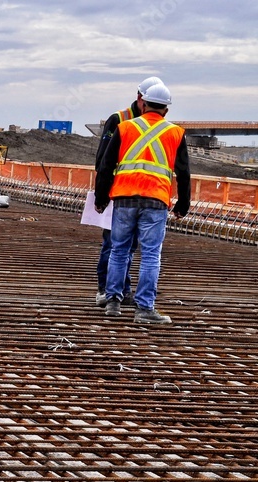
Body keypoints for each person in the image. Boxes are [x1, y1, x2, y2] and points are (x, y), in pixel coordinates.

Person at [94, 83, 191, 324]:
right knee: (150, 255)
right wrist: (183, 205)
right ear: (166, 110)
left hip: (124, 198)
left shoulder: (125, 127)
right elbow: (184, 173)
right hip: (155, 200)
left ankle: (113, 302)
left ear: (143, 104)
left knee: (118, 250)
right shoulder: (176, 133)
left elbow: (106, 165)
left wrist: (101, 198)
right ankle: (144, 308)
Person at [92, 76, 163, 307]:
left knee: (128, 247)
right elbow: (103, 160)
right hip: (118, 192)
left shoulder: (155, 123)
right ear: (140, 97)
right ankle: (106, 290)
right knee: (113, 245)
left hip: (142, 194)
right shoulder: (119, 119)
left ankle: (123, 290)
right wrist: (102, 194)